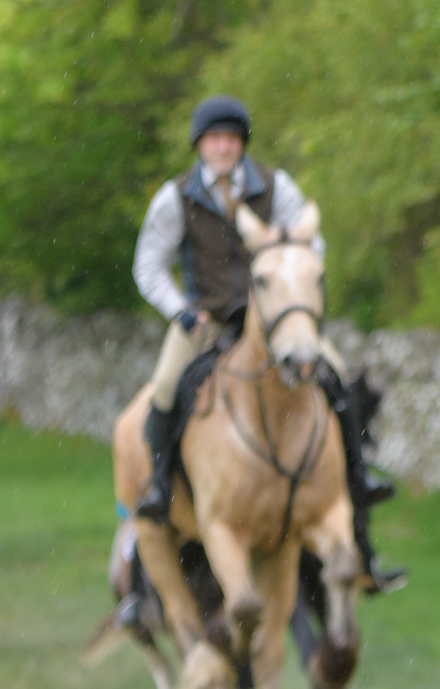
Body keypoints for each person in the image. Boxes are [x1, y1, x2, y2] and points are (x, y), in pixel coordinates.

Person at [132, 95, 405, 592]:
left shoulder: (277, 186)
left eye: (231, 139)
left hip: (278, 319)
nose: (223, 147)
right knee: (166, 388)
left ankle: (359, 471)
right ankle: (158, 486)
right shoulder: (175, 198)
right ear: (199, 145)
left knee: (337, 376)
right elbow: (148, 265)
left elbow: (312, 246)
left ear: (241, 145)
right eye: (214, 139)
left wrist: (286, 255)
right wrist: (181, 310)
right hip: (208, 320)